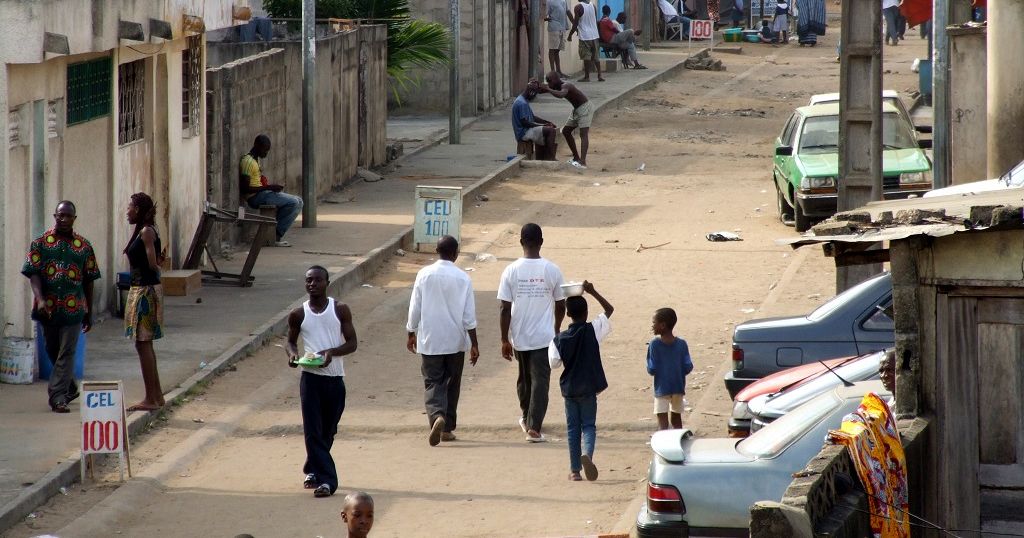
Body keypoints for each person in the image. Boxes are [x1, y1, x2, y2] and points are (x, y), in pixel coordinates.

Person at [285, 265, 358, 498]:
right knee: (312, 431)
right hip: (311, 379)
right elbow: (290, 342)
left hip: (335, 380)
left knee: (328, 430)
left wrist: (331, 353)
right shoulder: (299, 314)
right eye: (308, 280)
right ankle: (327, 482)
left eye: (317, 280)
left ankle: (312, 468)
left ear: (327, 282)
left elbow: (352, 343)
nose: (312, 284)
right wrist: (292, 356)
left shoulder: (340, 310)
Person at [22, 201, 100, 413]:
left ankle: (57, 397)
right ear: (54, 216)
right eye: (60, 215)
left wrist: (88, 312)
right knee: (52, 349)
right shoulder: (40, 243)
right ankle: (71, 386)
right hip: (48, 310)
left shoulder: (84, 247)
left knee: (67, 352)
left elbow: (89, 280)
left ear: (74, 218)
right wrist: (39, 298)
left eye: (67, 216)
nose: (63, 219)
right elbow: (33, 272)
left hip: (73, 310)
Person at [406, 235, 480, 446]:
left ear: (436, 251)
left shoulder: (424, 274)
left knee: (432, 381)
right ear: (455, 254)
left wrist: (411, 331)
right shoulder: (463, 278)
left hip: (430, 339)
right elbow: (469, 316)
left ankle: (437, 415)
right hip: (455, 340)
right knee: (452, 383)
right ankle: (446, 428)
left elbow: (415, 307)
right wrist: (474, 344)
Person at [498, 223, 566, 442]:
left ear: (520, 242)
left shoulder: (510, 270)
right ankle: (533, 426)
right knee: (539, 382)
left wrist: (503, 338)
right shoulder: (552, 270)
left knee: (524, 380)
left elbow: (505, 308)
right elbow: (560, 304)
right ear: (542, 242)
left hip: (519, 336)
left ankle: (529, 420)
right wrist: (556, 327)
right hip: (543, 337)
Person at [549, 281, 613, 482]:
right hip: (589, 387)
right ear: (586, 312)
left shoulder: (559, 339)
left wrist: (557, 329)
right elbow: (609, 309)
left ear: (567, 314)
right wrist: (593, 291)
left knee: (572, 429)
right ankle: (588, 455)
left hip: (570, 389)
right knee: (589, 426)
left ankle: (575, 471)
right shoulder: (593, 329)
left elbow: (554, 364)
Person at [123, 193, 168, 411]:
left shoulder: (146, 231)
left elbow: (152, 263)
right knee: (144, 344)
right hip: (143, 289)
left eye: (130, 207)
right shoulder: (147, 230)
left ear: (139, 210)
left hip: (145, 291)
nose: (127, 211)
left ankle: (151, 398)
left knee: (143, 343)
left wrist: (158, 262)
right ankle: (156, 396)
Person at [240, 134, 303, 247]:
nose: (266, 153)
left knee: (299, 201)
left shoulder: (255, 160)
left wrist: (267, 185)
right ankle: (275, 235)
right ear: (257, 146)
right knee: (293, 203)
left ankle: (273, 233)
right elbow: (245, 189)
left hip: (262, 193)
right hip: (255, 197)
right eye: (265, 150)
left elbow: (256, 181)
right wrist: (269, 187)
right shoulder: (248, 162)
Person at [646, 308, 694, 430]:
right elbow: (688, 366)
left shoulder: (654, 345)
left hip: (662, 388)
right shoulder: (682, 344)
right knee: (676, 417)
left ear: (662, 325)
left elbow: (651, 368)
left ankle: (664, 441)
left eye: (654, 323)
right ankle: (678, 441)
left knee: (662, 419)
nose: (652, 326)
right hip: (678, 387)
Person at [543, 71, 593, 168]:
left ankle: (583, 162)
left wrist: (548, 89)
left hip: (585, 108)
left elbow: (561, 94)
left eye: (549, 81)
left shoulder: (566, 85)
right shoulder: (556, 86)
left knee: (583, 134)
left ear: (555, 79)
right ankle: (576, 158)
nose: (549, 84)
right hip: (577, 110)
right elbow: (547, 89)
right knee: (566, 131)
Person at [511, 80, 558, 160]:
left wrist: (546, 122)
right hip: (523, 132)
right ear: (531, 92)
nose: (534, 97)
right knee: (551, 131)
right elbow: (525, 123)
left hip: (526, 130)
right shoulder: (522, 103)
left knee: (546, 129)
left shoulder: (523, 100)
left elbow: (533, 117)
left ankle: (542, 157)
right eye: (535, 94)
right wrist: (542, 125)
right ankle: (551, 157)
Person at [566, 0, 604, 82]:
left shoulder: (578, 7)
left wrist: (570, 35)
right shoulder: (593, 6)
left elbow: (575, 24)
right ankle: (599, 75)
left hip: (584, 35)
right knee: (596, 56)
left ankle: (587, 77)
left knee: (586, 56)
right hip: (594, 34)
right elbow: (594, 21)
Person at [545, 0, 574, 78]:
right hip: (554, 27)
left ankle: (558, 71)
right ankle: (553, 72)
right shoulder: (549, 1)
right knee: (552, 49)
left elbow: (568, 12)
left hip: (562, 27)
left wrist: (574, 24)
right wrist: (548, 19)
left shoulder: (564, 0)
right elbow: (545, 15)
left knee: (557, 50)